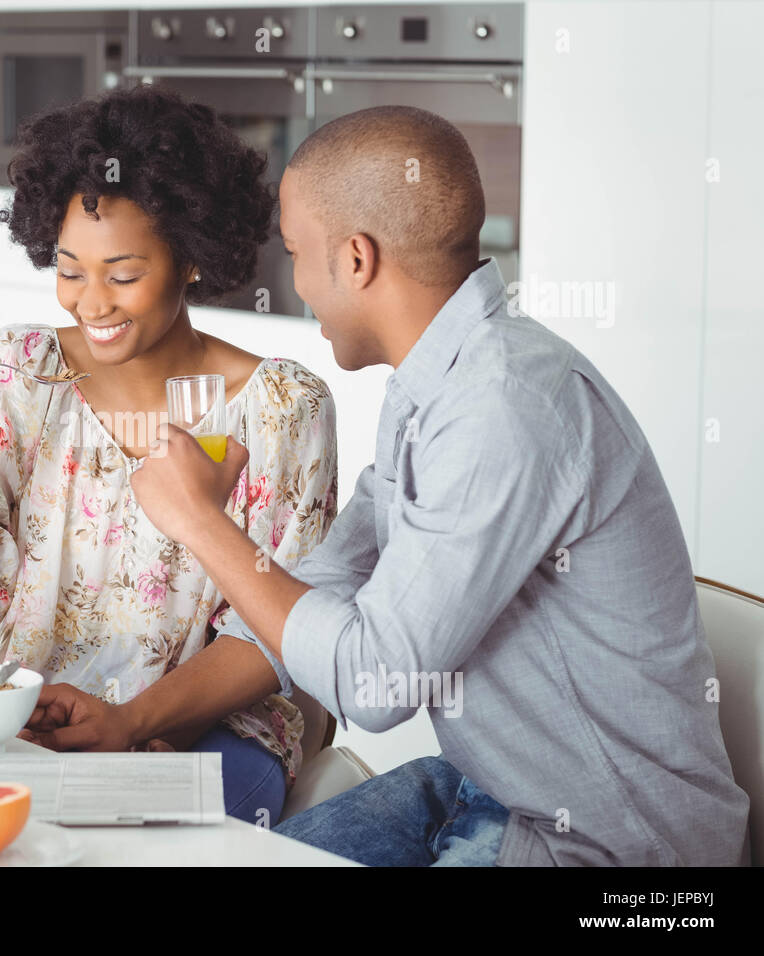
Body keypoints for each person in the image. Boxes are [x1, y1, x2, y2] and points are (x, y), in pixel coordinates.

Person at [119, 105, 750, 865]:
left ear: (355, 260)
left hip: (609, 849)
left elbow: (377, 682)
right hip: (487, 788)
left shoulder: (503, 406)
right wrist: (130, 721)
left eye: (294, 252)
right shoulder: (434, 386)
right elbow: (329, 581)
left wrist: (198, 520)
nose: (295, 283)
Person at [0, 86, 338, 823]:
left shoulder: (282, 409)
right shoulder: (23, 369)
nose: (91, 302)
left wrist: (137, 722)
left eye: (125, 274)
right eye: (70, 270)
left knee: (132, 840)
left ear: (192, 259)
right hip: (37, 718)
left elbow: (280, 633)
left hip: (212, 733)